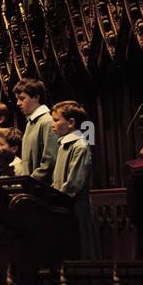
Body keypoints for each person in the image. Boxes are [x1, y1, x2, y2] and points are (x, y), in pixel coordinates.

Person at [50, 100, 96, 258]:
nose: (52, 125)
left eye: (56, 120)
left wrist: (56, 199)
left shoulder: (80, 146)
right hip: (62, 207)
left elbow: (73, 184)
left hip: (74, 208)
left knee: (80, 249)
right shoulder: (63, 145)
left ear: (71, 123)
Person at [14, 78, 60, 182]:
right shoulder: (31, 122)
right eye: (17, 99)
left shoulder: (47, 121)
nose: (18, 103)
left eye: (22, 99)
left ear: (36, 97)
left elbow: (50, 161)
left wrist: (31, 181)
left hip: (42, 189)